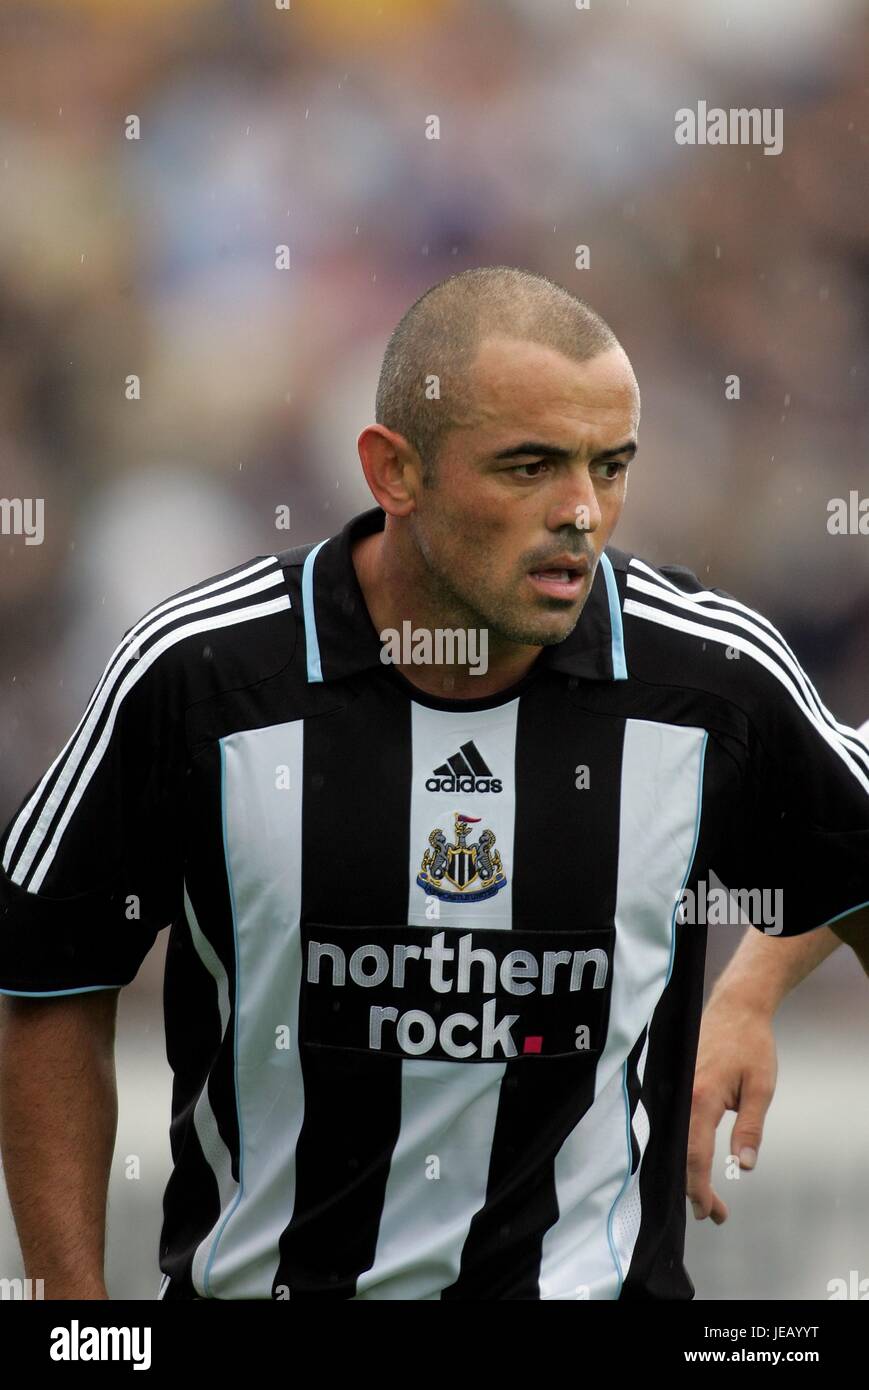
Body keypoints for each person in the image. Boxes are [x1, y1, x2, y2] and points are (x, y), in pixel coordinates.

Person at [0, 266, 867, 1302]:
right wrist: (73, 1322)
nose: (581, 513)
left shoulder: (706, 681)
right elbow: (50, 978)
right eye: (530, 466)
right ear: (392, 470)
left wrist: (753, 983)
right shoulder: (202, 679)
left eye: (610, 464)